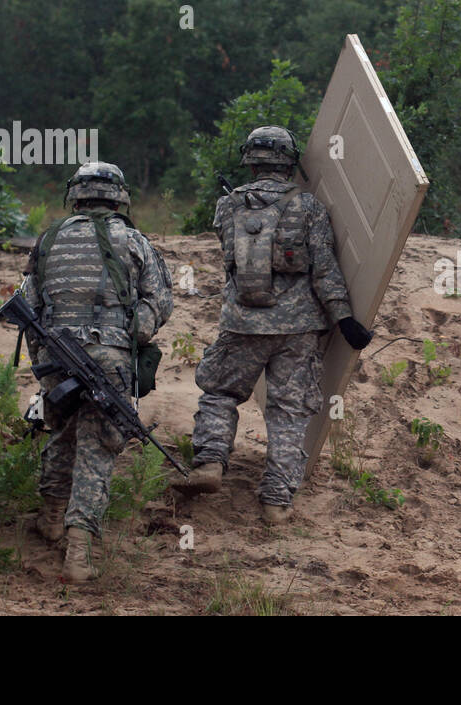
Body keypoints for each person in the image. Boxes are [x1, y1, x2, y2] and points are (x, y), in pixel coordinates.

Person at [176, 126, 373, 523]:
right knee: (289, 412)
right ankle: (276, 500)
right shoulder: (309, 208)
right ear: (289, 160)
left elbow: (233, 258)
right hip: (298, 328)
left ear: (249, 159)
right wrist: (345, 318)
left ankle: (210, 463)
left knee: (220, 392)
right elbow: (325, 271)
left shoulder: (227, 206)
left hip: (242, 322)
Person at [22, 161, 174, 582]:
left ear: (76, 195)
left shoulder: (49, 239)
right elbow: (159, 301)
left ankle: (51, 518)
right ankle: (78, 551)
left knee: (62, 431)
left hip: (56, 356)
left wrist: (44, 352)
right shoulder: (134, 240)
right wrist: (130, 334)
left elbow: (28, 304)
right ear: (119, 196)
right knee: (98, 446)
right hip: (107, 357)